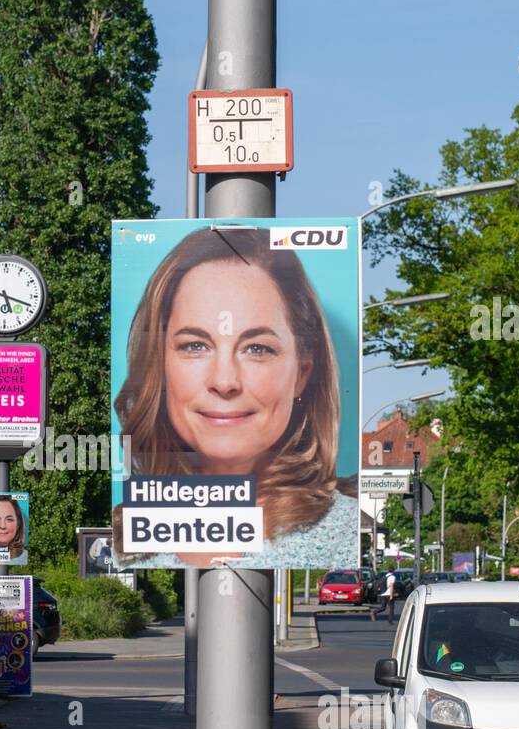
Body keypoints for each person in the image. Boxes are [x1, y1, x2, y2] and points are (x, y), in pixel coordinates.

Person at [112, 225, 357, 566]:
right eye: (195, 346)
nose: (224, 382)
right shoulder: (122, 534)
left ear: (302, 373)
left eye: (256, 348)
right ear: (159, 364)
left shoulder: (346, 534)